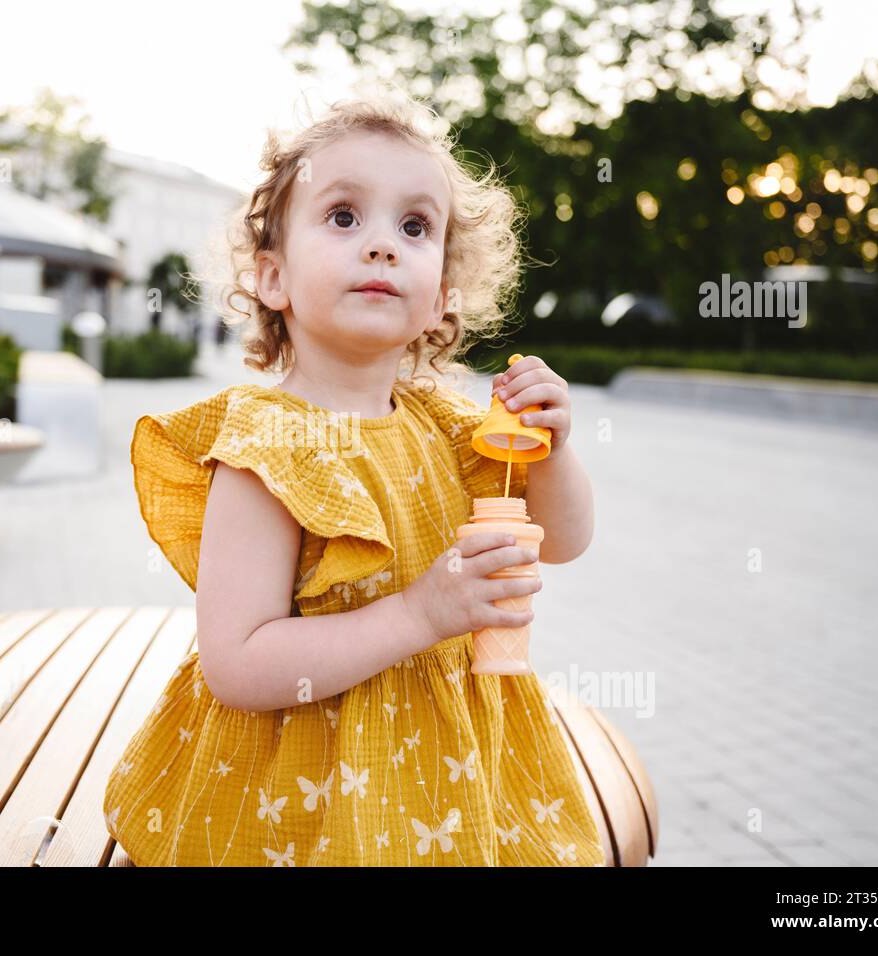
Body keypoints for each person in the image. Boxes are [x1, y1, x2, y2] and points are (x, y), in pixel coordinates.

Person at [103, 87, 602, 866]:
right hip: (300, 797)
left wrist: (554, 449)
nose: (382, 246)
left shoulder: (448, 430)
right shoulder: (266, 450)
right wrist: (420, 616)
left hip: (447, 773)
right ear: (272, 278)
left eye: (414, 226)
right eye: (343, 217)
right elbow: (236, 663)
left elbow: (564, 541)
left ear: (441, 297)